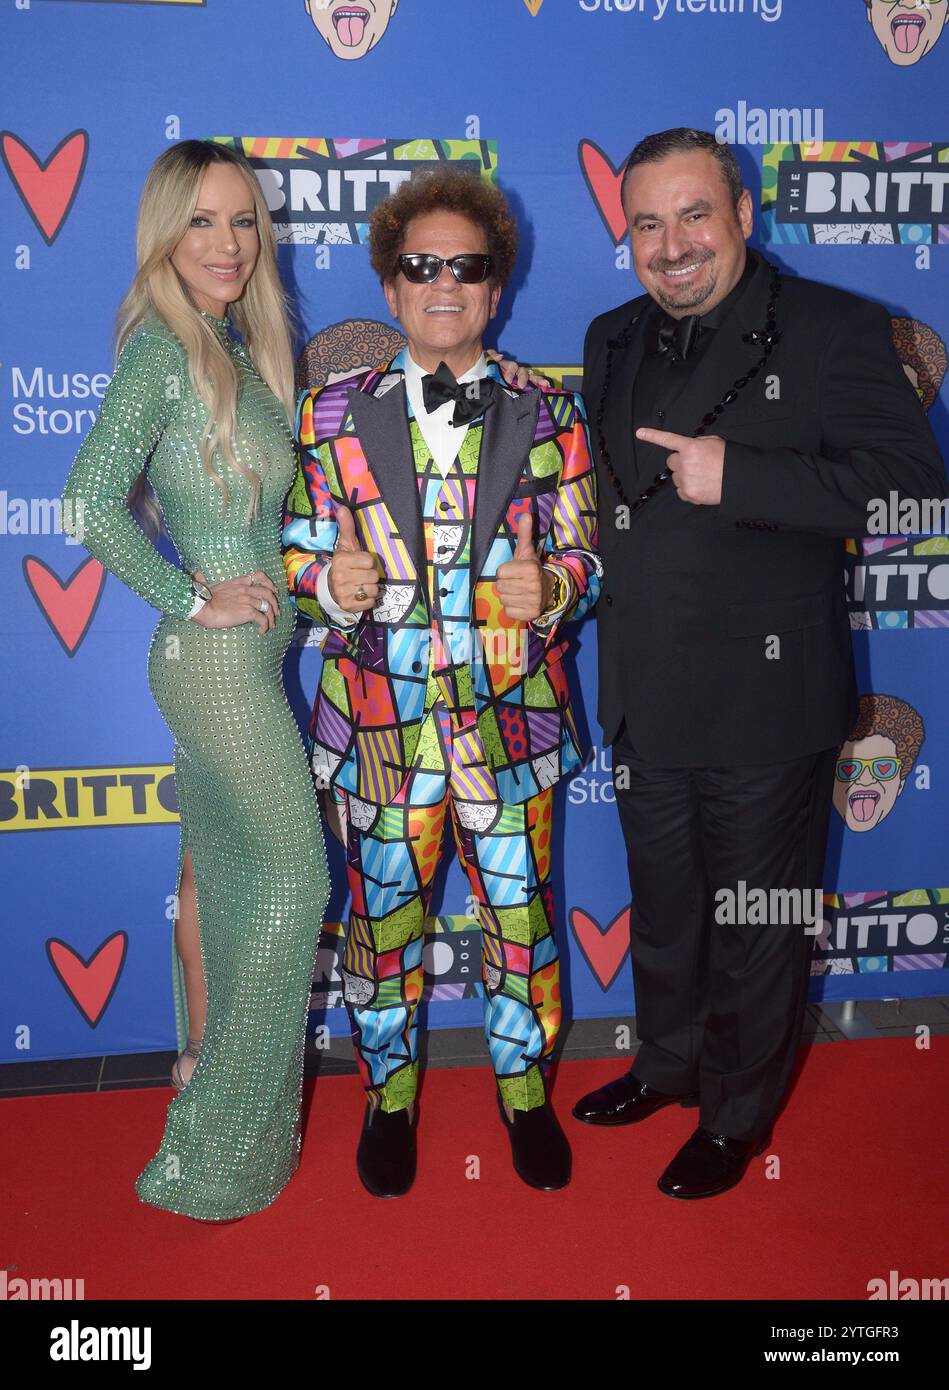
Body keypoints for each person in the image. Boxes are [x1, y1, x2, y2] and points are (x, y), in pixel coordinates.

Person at [574, 128, 947, 1198]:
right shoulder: (609, 337)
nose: (672, 244)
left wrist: (744, 474)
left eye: (694, 215)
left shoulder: (833, 328)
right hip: (642, 684)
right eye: (646, 223)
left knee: (757, 920)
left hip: (765, 697)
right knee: (670, 905)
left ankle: (736, 1113)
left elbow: (910, 487)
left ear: (743, 214)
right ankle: (666, 1063)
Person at [282, 167, 602, 1196]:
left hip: (510, 730)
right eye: (420, 266)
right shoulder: (330, 413)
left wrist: (552, 580)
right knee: (383, 930)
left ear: (495, 287)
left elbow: (592, 555)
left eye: (466, 266)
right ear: (390, 287)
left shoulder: (551, 409)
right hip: (380, 732)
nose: (444, 284)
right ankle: (391, 1097)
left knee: (518, 923)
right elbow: (294, 549)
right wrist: (326, 580)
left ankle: (522, 1094)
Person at [61, 139, 330, 1221]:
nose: (226, 244)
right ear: (164, 234)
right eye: (202, 221)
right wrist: (191, 596)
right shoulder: (162, 355)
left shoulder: (239, 347)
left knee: (221, 884)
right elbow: (87, 508)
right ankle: (210, 1139)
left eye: (244, 221)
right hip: (214, 665)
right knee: (298, 882)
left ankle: (213, 1092)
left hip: (246, 658)